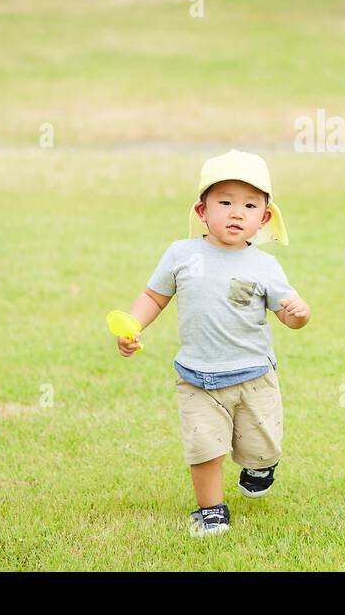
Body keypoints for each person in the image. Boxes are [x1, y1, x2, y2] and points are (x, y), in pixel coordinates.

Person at [115, 149, 311, 537]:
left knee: (262, 447)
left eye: (249, 205)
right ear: (202, 211)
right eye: (225, 202)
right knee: (204, 448)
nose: (237, 213)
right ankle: (211, 510)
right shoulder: (181, 255)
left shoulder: (265, 266)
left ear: (264, 218)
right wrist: (134, 324)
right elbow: (154, 296)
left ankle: (260, 465)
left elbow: (286, 314)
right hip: (197, 377)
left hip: (254, 376)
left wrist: (298, 315)